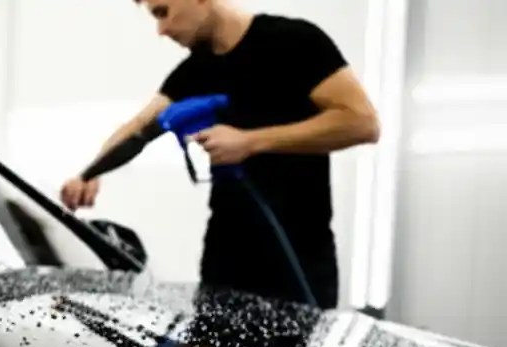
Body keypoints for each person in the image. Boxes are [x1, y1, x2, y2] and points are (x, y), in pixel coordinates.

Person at [60, 0, 380, 309]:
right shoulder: (196, 72)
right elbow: (141, 127)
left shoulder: (294, 42)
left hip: (298, 259)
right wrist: (90, 172)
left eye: (163, 13)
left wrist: (249, 142)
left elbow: (361, 123)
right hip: (225, 259)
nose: (161, 30)